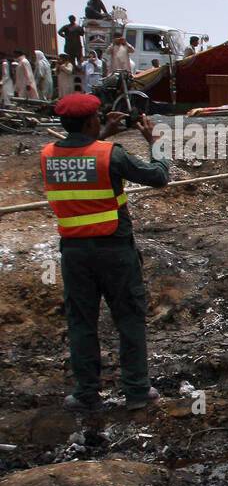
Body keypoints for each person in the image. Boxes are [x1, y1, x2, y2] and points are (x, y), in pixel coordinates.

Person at [41, 93, 170, 412]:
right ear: (88, 122)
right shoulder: (110, 154)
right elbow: (159, 177)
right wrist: (156, 143)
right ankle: (137, 391)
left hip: (74, 252)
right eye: (97, 117)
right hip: (114, 250)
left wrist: (100, 136)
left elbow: (80, 160)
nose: (101, 120)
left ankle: (86, 393)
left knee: (81, 321)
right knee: (128, 317)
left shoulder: (47, 155)